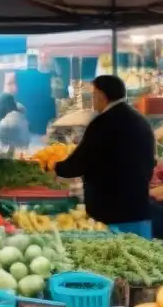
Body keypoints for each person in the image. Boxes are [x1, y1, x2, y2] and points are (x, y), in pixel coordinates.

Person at [54, 74, 156, 237]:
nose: (93, 100)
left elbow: (80, 162)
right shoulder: (141, 122)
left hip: (110, 213)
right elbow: (151, 163)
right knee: (141, 256)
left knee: (115, 259)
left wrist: (55, 168)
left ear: (101, 96)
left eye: (93, 95)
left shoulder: (102, 124)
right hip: (138, 209)